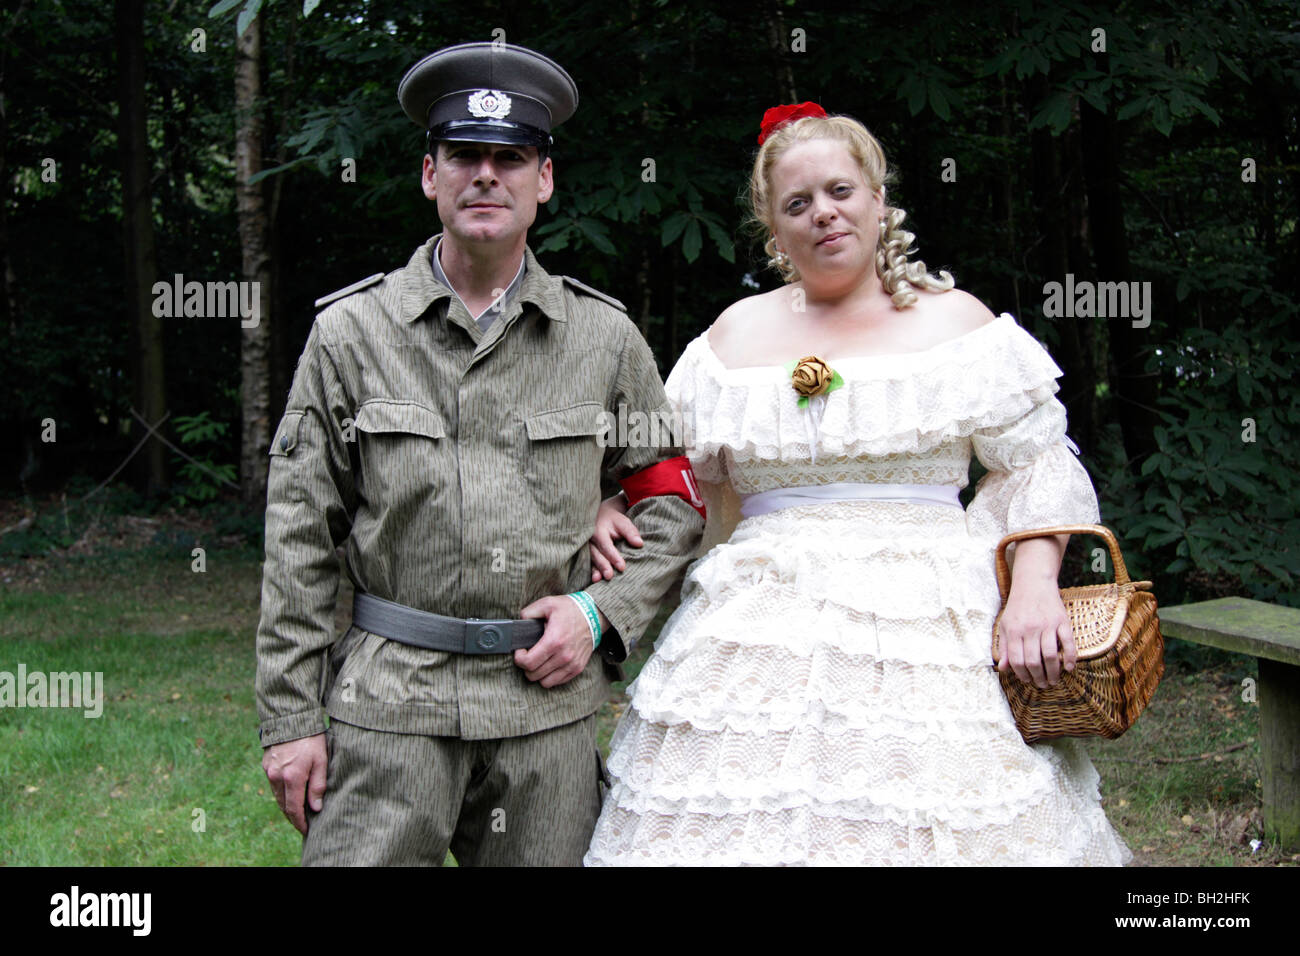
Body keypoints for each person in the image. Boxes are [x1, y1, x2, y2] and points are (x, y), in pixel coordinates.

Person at [582, 104, 1132, 865]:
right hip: (758, 636)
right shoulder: (730, 338)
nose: (824, 215)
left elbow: (1038, 463)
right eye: (797, 204)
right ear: (773, 227)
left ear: (878, 199)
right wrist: (613, 506)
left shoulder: (957, 324)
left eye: (840, 191)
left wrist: (1034, 586)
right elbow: (677, 476)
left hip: (935, 631)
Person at [255, 41, 704, 866]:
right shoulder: (350, 334)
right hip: (388, 713)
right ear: (431, 175)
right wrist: (291, 723)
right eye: (465, 155)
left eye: (511, 157)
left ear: (545, 180)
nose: (487, 175)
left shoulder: (602, 338)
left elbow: (673, 503)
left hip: (545, 717)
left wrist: (601, 614)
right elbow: (299, 539)